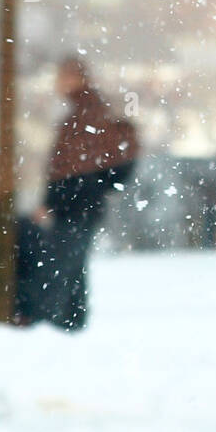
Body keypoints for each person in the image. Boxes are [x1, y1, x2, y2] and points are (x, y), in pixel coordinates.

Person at [32, 57, 139, 330]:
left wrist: (63, 197)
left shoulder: (87, 113)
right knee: (72, 265)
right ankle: (70, 321)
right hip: (79, 202)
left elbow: (76, 165)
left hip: (78, 203)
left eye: (63, 77)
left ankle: (59, 321)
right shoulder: (84, 111)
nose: (58, 83)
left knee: (62, 265)